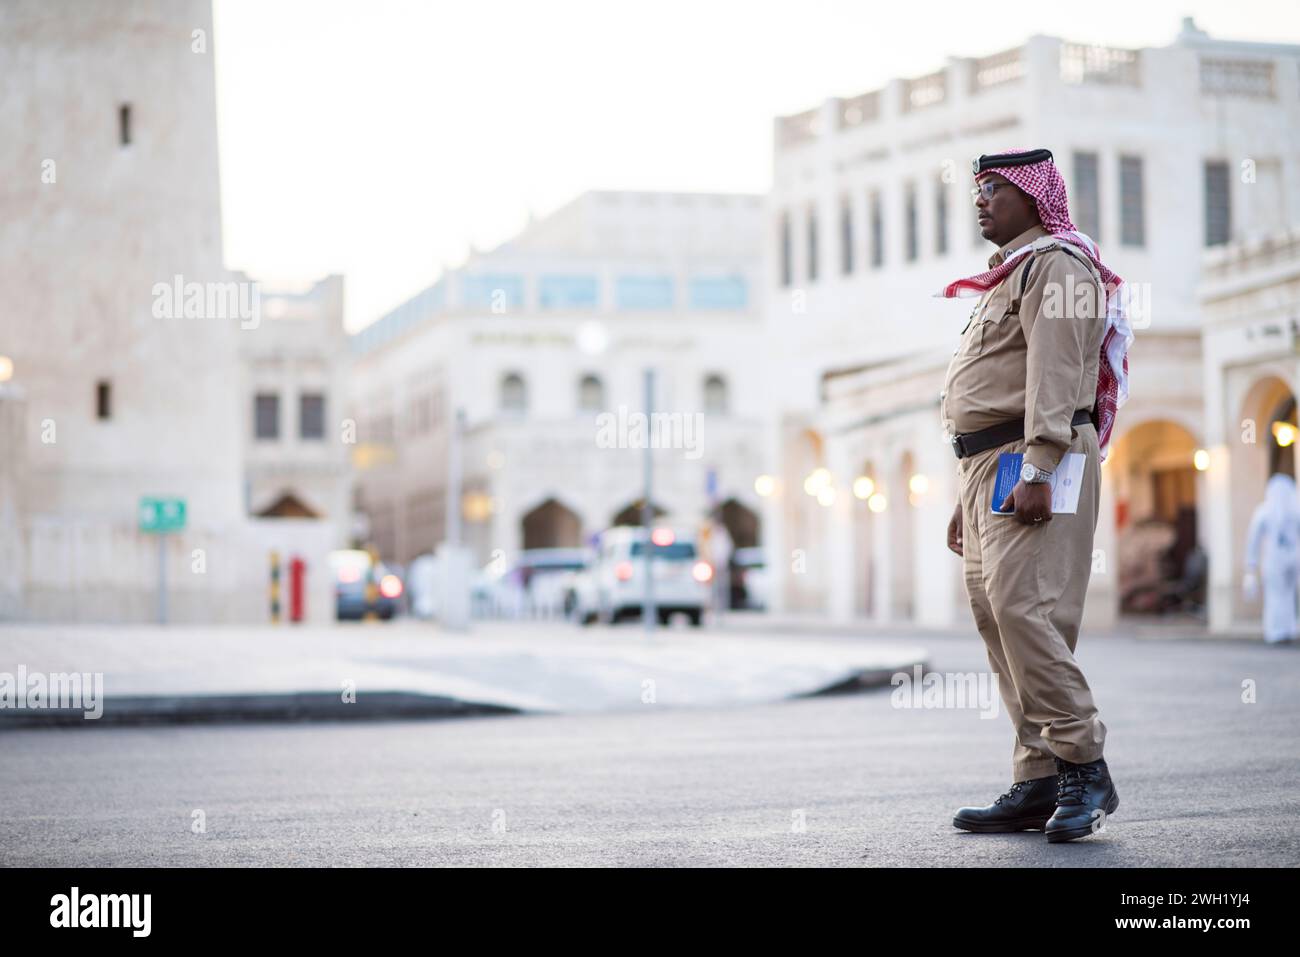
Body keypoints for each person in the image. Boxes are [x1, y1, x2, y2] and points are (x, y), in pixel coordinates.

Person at [938, 148, 1133, 843]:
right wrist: (969, 491)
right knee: (998, 616)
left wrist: (1041, 467)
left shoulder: (1060, 265)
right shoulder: (1012, 273)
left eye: (995, 188)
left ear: (1033, 195)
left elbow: (1059, 375)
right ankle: (1038, 775)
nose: (981, 199)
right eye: (977, 189)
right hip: (990, 465)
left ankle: (1085, 762)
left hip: (1033, 454)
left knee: (1028, 611)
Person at [1243, 472, 1300, 644]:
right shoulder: (1270, 511)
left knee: (1284, 595)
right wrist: (1250, 568)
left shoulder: (1277, 510)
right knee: (1280, 595)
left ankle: (1285, 629)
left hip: (1285, 559)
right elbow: (1253, 540)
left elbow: (1252, 540)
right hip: (1279, 560)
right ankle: (1278, 630)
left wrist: (1251, 567)